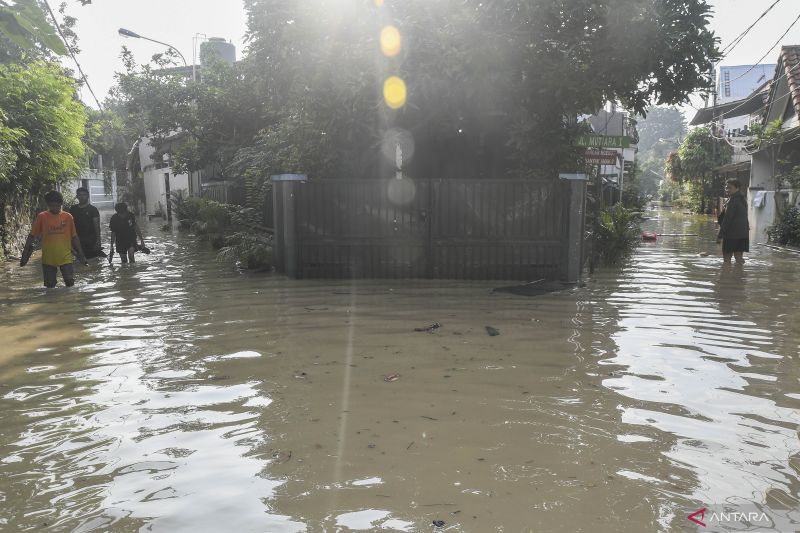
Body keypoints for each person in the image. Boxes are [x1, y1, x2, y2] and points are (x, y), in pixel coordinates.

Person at [20, 190, 89, 288]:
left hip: (66, 257)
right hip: (48, 258)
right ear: (48, 205)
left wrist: (81, 255)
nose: (55, 208)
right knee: (50, 286)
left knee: (70, 283)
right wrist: (25, 254)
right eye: (52, 206)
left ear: (61, 204)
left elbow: (74, 236)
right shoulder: (42, 217)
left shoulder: (68, 217)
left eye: (57, 206)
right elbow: (31, 236)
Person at [717, 178, 749, 265]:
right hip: (743, 235)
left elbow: (727, 219)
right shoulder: (743, 199)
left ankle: (727, 277)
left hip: (732, 235)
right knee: (739, 259)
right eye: (726, 188)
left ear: (737, 188)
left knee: (727, 261)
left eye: (730, 188)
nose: (727, 190)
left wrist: (720, 235)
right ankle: (739, 277)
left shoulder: (732, 201)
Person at [69, 187, 104, 259]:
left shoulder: (93, 209)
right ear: (77, 196)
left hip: (91, 239)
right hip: (77, 239)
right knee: (79, 259)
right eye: (79, 195)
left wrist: (98, 240)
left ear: (88, 196)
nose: (82, 197)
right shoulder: (73, 208)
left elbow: (97, 226)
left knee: (92, 259)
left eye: (84, 195)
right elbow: (69, 225)